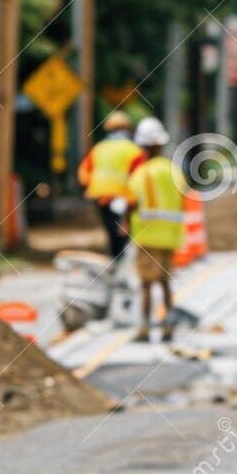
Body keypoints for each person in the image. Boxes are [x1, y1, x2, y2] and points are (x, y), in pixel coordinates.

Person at [124, 117, 185, 343]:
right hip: (170, 237)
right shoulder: (173, 170)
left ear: (144, 146)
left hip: (147, 237)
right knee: (165, 281)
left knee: (146, 284)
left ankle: (144, 329)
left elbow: (131, 202)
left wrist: (126, 224)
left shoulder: (143, 173)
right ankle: (168, 325)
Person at [78, 110, 145, 262]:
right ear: (127, 128)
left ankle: (116, 260)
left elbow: (83, 173)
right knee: (125, 230)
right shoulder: (133, 149)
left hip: (101, 196)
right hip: (123, 197)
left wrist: (92, 187)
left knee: (111, 230)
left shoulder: (99, 148)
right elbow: (140, 176)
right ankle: (122, 263)